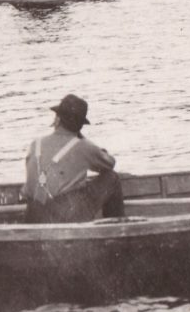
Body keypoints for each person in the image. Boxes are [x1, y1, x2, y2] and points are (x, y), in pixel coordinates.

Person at [23, 94, 122, 224]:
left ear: (57, 119)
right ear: (80, 126)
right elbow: (110, 163)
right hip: (64, 217)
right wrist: (81, 138)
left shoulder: (36, 144)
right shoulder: (83, 146)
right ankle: (115, 230)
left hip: (34, 215)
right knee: (112, 178)